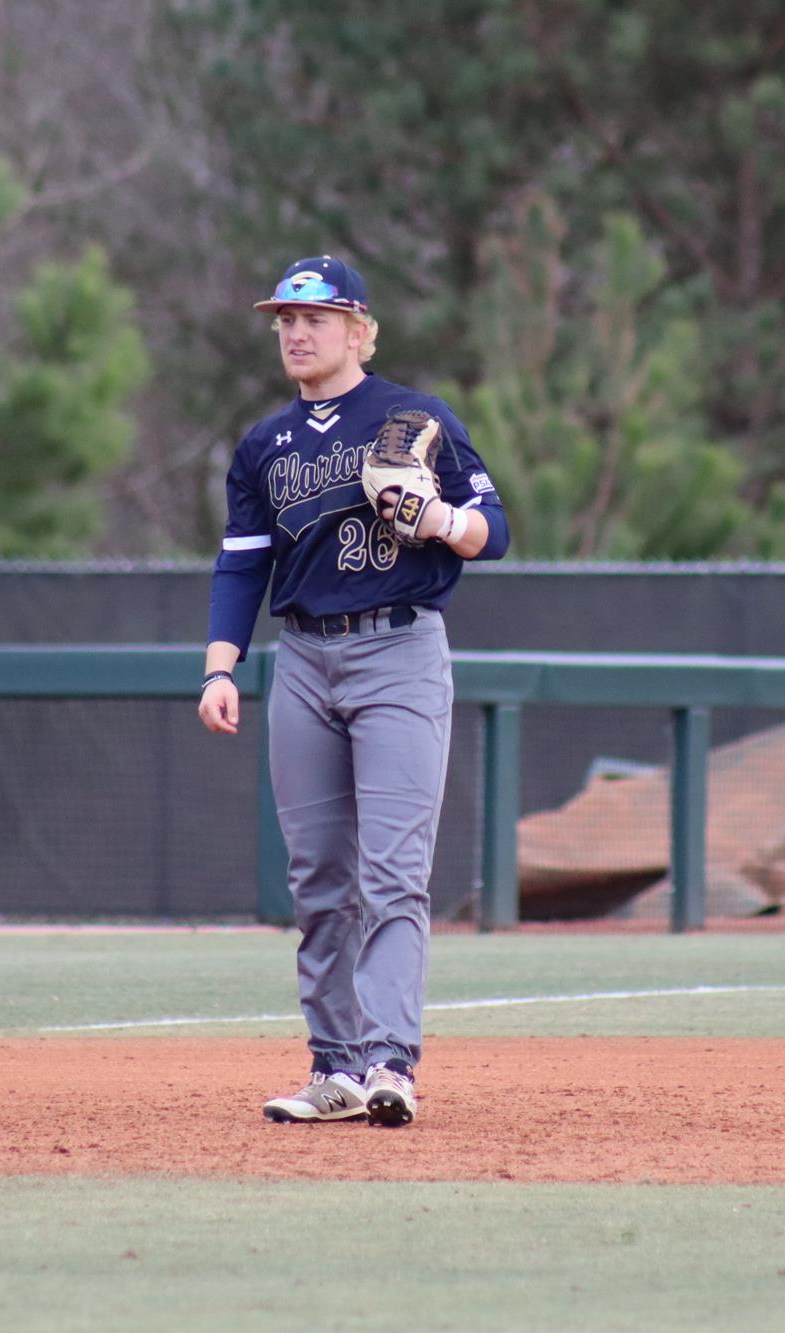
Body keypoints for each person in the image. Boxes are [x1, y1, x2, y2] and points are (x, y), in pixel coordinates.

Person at [198, 255, 510, 1127]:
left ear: (358, 328)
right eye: (286, 321)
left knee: (393, 870)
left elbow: (498, 530)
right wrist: (221, 665)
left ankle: (390, 1063)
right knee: (320, 877)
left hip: (399, 649)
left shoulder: (414, 417)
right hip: (301, 659)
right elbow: (241, 566)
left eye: (317, 318)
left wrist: (442, 520)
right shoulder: (265, 445)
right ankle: (333, 1066)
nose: (297, 333)